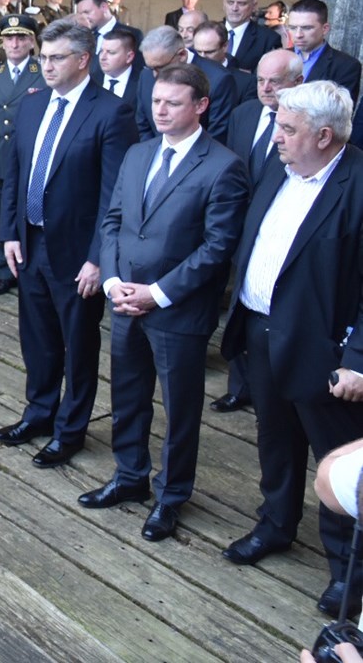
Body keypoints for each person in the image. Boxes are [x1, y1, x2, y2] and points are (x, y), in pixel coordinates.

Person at [83, 63, 247, 541]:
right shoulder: (138, 154)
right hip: (125, 299)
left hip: (176, 310)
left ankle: (171, 496)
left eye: (173, 102)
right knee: (128, 397)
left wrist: (156, 293)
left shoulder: (223, 166)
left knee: (179, 409)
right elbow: (112, 220)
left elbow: (218, 248)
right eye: (156, 101)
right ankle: (129, 476)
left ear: (200, 106)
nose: (161, 110)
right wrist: (113, 281)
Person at [218, 81, 363, 619]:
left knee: (337, 460)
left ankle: (347, 571)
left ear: (324, 136)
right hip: (260, 332)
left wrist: (357, 361)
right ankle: (275, 526)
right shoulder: (279, 168)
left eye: (286, 129)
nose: (274, 137)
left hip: (325, 352)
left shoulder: (359, 185)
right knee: (275, 440)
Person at [0, 18, 137, 467]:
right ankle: (39, 413)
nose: (46, 65)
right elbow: (15, 174)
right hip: (30, 243)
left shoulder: (111, 113)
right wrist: (10, 234)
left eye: (56, 58)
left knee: (78, 345)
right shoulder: (34, 105)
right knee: (36, 338)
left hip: (78, 254)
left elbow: (115, 196)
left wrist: (99, 259)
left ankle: (70, 429)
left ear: (83, 60)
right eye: (44, 56)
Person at [214, 48, 304, 414]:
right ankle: (240, 385)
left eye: (276, 82)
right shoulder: (244, 113)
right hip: (236, 222)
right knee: (237, 304)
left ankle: (275, 385)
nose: (265, 88)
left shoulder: (303, 124)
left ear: (297, 83)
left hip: (275, 232)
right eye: (261, 80)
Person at [0, 14, 40, 296]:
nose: (15, 43)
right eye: (9, 37)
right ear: (1, 42)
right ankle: (5, 271)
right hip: (2, 158)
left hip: (34, 158)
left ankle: (31, 270)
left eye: (21, 37)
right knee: (6, 215)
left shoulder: (43, 72)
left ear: (31, 41)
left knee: (35, 214)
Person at [135, 26, 235, 144]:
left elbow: (218, 133)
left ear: (182, 55)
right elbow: (143, 124)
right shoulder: (146, 75)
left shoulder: (218, 79)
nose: (155, 74)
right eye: (150, 67)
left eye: (160, 67)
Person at [288, 0, 362, 102]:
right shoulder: (276, 57)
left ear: (325, 29)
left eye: (307, 28)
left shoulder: (346, 66)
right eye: (293, 28)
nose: (298, 35)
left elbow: (340, 111)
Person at [192, 21, 257, 103]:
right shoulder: (184, 73)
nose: (202, 56)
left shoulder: (246, 82)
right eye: (198, 51)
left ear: (225, 46)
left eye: (209, 52)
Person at [223, 0, 283, 72]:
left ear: (254, 6)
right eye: (230, 2)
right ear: (224, 3)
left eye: (242, 3)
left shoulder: (268, 39)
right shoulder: (206, 31)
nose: (234, 8)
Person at [97, 27, 140, 99]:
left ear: (129, 57)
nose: (102, 57)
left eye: (111, 52)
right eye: (101, 51)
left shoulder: (143, 84)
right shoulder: (90, 79)